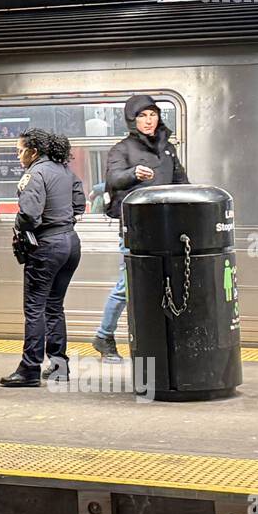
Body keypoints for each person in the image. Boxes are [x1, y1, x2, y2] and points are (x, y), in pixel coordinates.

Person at [91, 94, 189, 362]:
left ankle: (158, 336)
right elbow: (113, 178)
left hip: (166, 226)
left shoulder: (168, 149)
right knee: (128, 284)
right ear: (132, 120)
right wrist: (134, 173)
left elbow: (182, 183)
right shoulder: (122, 149)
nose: (149, 120)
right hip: (135, 227)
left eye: (152, 114)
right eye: (142, 116)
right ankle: (103, 335)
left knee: (164, 282)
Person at [1, 131, 86, 387]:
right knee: (54, 306)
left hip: (47, 246)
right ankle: (59, 365)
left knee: (35, 308)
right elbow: (79, 205)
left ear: (33, 152)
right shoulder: (65, 171)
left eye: (20, 151)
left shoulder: (35, 174)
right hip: (71, 243)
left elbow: (28, 215)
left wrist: (20, 225)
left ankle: (29, 368)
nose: (18, 156)